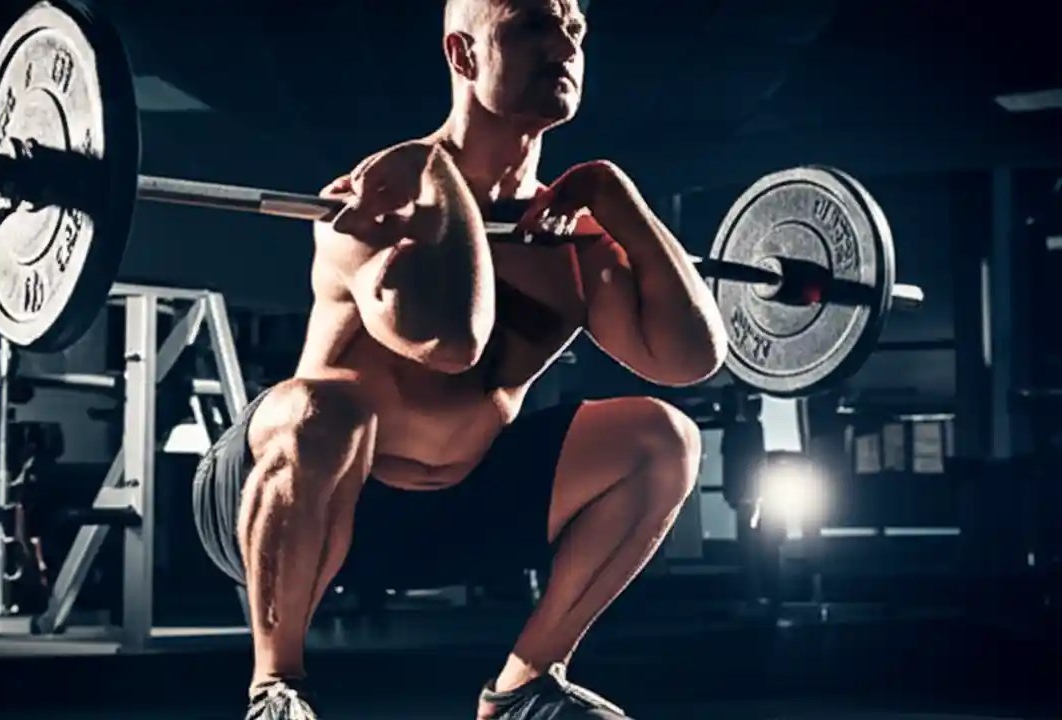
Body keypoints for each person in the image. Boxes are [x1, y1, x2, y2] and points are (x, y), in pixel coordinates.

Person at [192, 0, 728, 717]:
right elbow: (450, 342)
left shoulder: (573, 241)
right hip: (295, 499)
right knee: (326, 407)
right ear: (464, 55)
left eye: (574, 30)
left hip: (452, 513)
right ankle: (275, 689)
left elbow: (690, 357)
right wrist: (437, 176)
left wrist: (617, 200)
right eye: (532, 25)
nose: (563, 45)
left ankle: (525, 687)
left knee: (664, 438)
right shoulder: (379, 196)